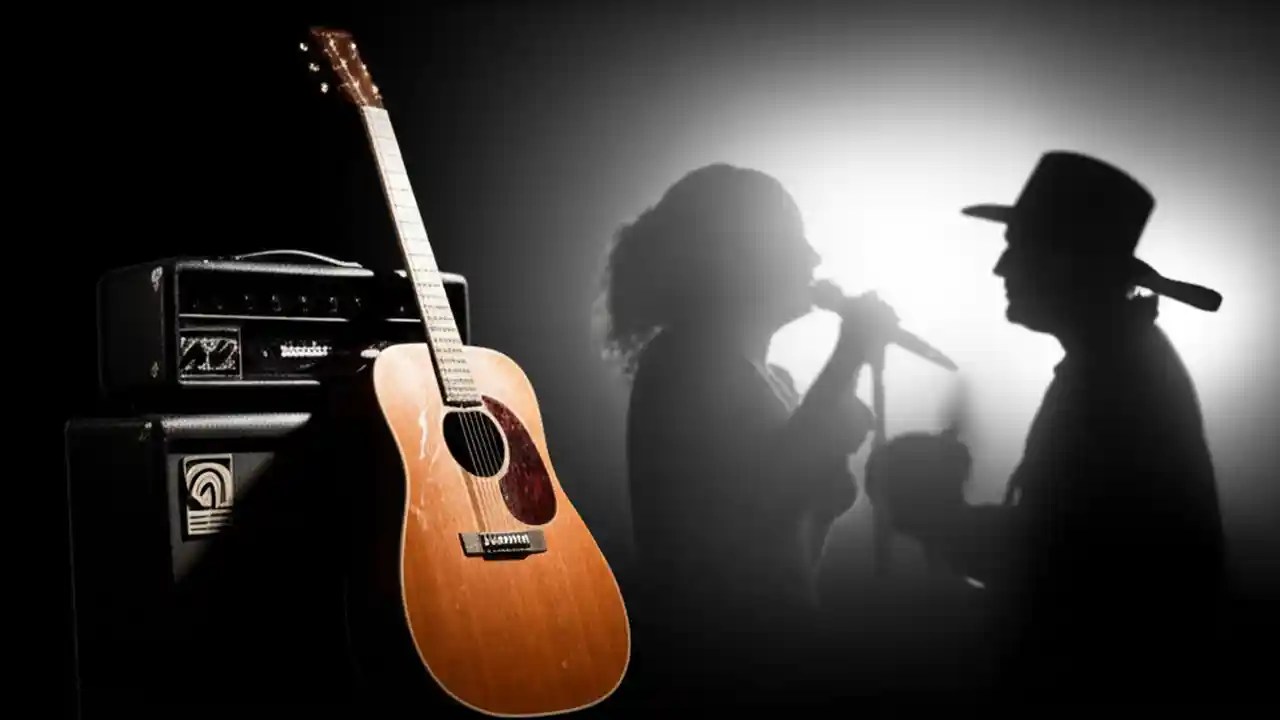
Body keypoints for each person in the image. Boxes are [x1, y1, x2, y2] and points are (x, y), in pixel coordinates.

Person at [866, 151, 1227, 704]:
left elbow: (1072, 572)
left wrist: (935, 513)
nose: (1001, 268)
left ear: (1066, 260)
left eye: (1018, 248)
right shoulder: (1114, 363)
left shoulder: (1115, 383)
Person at [598, 163, 898, 708]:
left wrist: (838, 393)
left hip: (778, 656)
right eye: (792, 239)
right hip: (716, 672)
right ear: (735, 256)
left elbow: (786, 531)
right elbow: (760, 499)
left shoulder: (776, 380)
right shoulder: (685, 359)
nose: (814, 258)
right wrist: (850, 352)